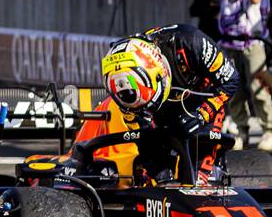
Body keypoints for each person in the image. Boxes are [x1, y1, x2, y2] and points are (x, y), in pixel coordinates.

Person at [100, 24, 241, 184]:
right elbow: (141, 135)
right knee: (158, 174)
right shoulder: (123, 88)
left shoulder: (192, 43)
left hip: (201, 100)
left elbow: (231, 79)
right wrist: (157, 169)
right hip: (162, 109)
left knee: (198, 179)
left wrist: (203, 114)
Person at [213, 0, 272, 149]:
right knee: (233, 90)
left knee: (258, 87)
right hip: (229, 43)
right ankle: (240, 129)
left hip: (253, 42)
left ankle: (268, 130)